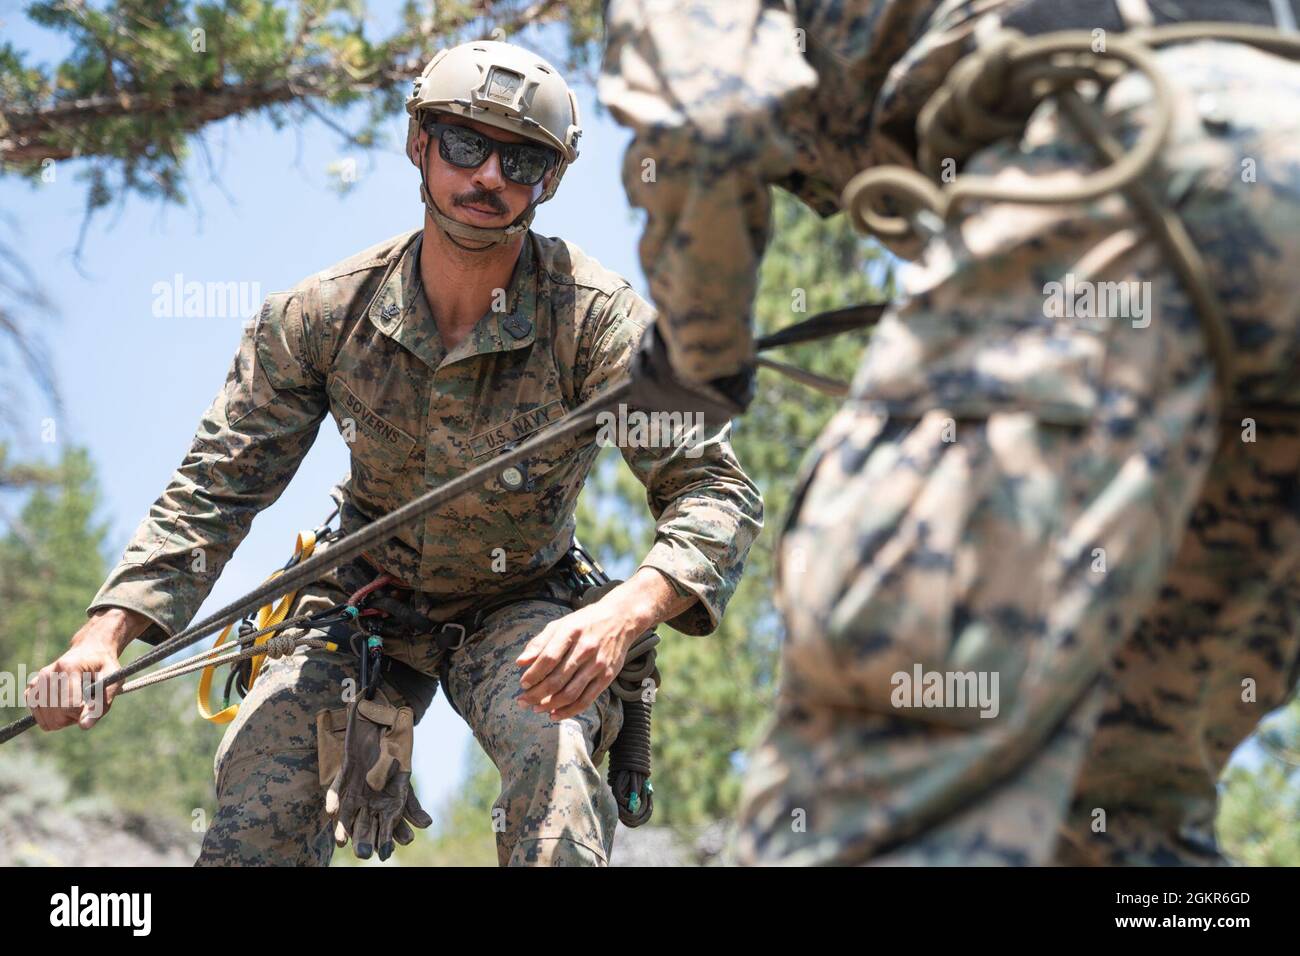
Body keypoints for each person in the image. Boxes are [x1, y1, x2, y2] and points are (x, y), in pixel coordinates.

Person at [25, 38, 762, 867]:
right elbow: (216, 487)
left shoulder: (596, 321)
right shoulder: (320, 316)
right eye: (464, 145)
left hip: (520, 603)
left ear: (549, 181)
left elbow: (714, 491)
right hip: (363, 596)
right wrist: (103, 637)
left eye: (521, 160)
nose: (488, 176)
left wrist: (622, 615)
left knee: (556, 769)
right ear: (420, 144)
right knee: (260, 797)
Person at [601, 0, 1300, 864]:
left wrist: (697, 357)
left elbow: (703, 122)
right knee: (1117, 811)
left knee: (874, 763)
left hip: (1120, 164)